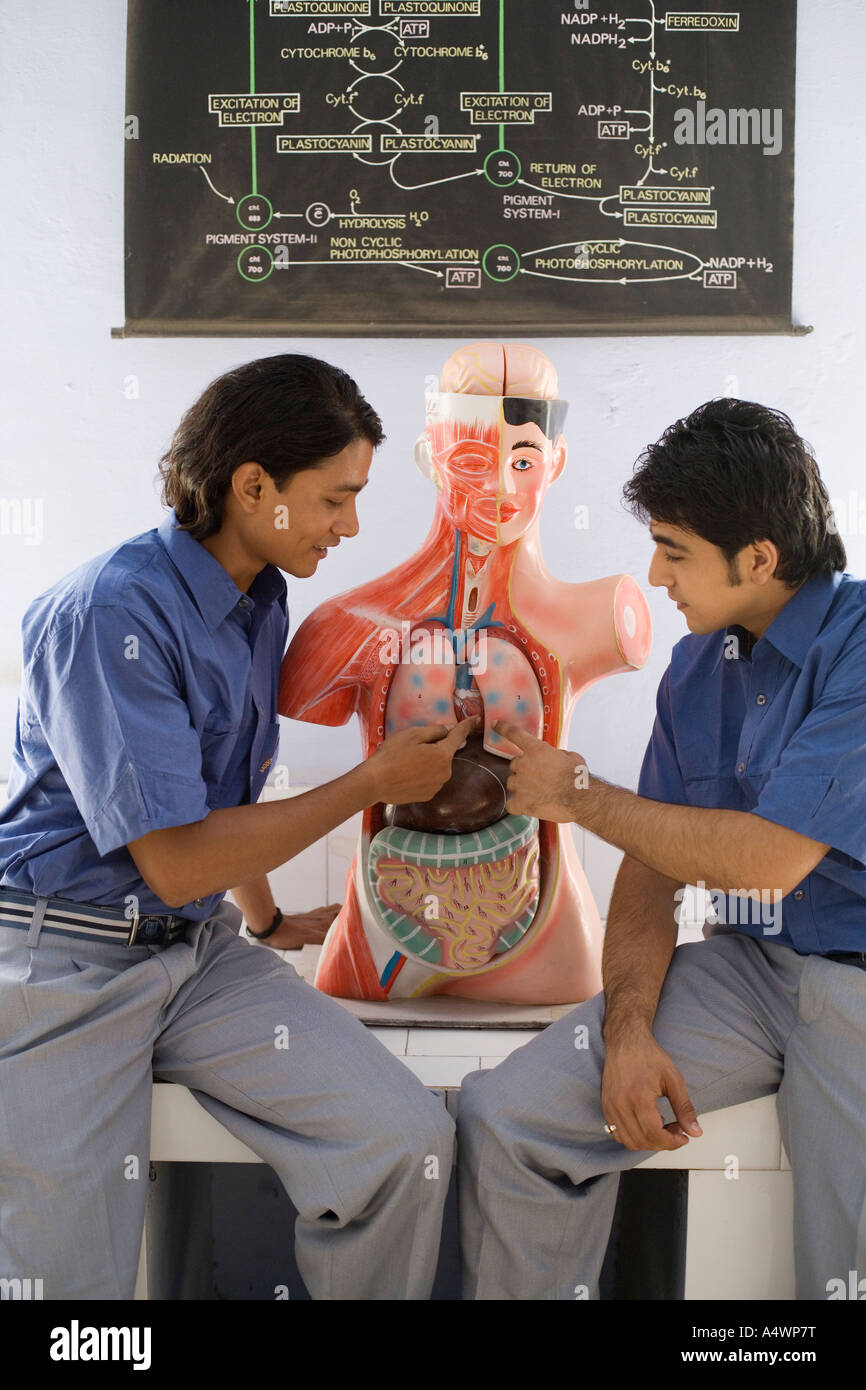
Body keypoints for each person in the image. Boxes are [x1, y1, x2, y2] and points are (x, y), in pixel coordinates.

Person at [0, 352, 475, 1300]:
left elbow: (217, 797)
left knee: (402, 1142)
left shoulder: (259, 598)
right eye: (337, 498)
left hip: (195, 950)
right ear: (252, 484)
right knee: (67, 1286)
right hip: (66, 963)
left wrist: (260, 919)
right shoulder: (109, 612)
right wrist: (372, 781)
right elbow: (174, 860)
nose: (350, 525)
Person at [457, 397, 866, 1300]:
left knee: (845, 1273)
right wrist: (630, 1028)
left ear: (758, 559)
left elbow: (768, 860)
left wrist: (577, 797)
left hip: (858, 983)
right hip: (748, 971)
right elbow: (651, 867)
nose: (654, 574)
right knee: (507, 1118)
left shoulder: (861, 646)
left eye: (675, 550)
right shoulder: (694, 668)